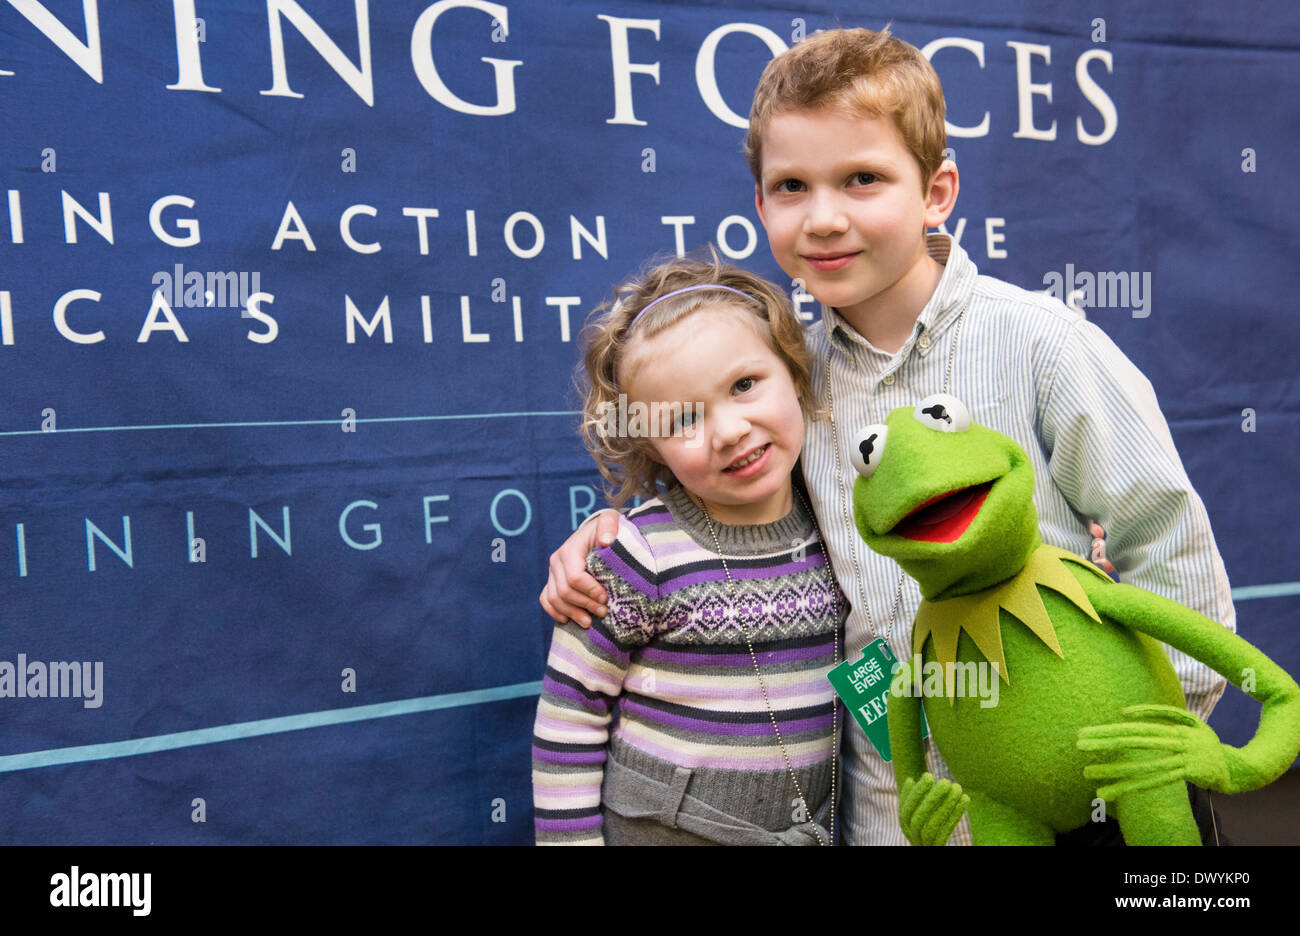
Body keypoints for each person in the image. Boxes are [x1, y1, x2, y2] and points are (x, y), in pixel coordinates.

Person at [539, 26, 1236, 846]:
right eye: (792, 187)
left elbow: (1167, 538)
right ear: (761, 206)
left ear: (937, 191)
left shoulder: (1040, 342)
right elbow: (728, 493)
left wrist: (1151, 740)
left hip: (1088, 797)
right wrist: (608, 532)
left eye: (862, 179)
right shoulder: (791, 380)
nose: (825, 218)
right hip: (905, 817)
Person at [531, 254, 848, 845]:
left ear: (796, 375)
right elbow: (570, 718)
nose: (729, 431)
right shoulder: (637, 556)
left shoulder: (838, 526)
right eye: (684, 418)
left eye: (745, 385)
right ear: (650, 446)